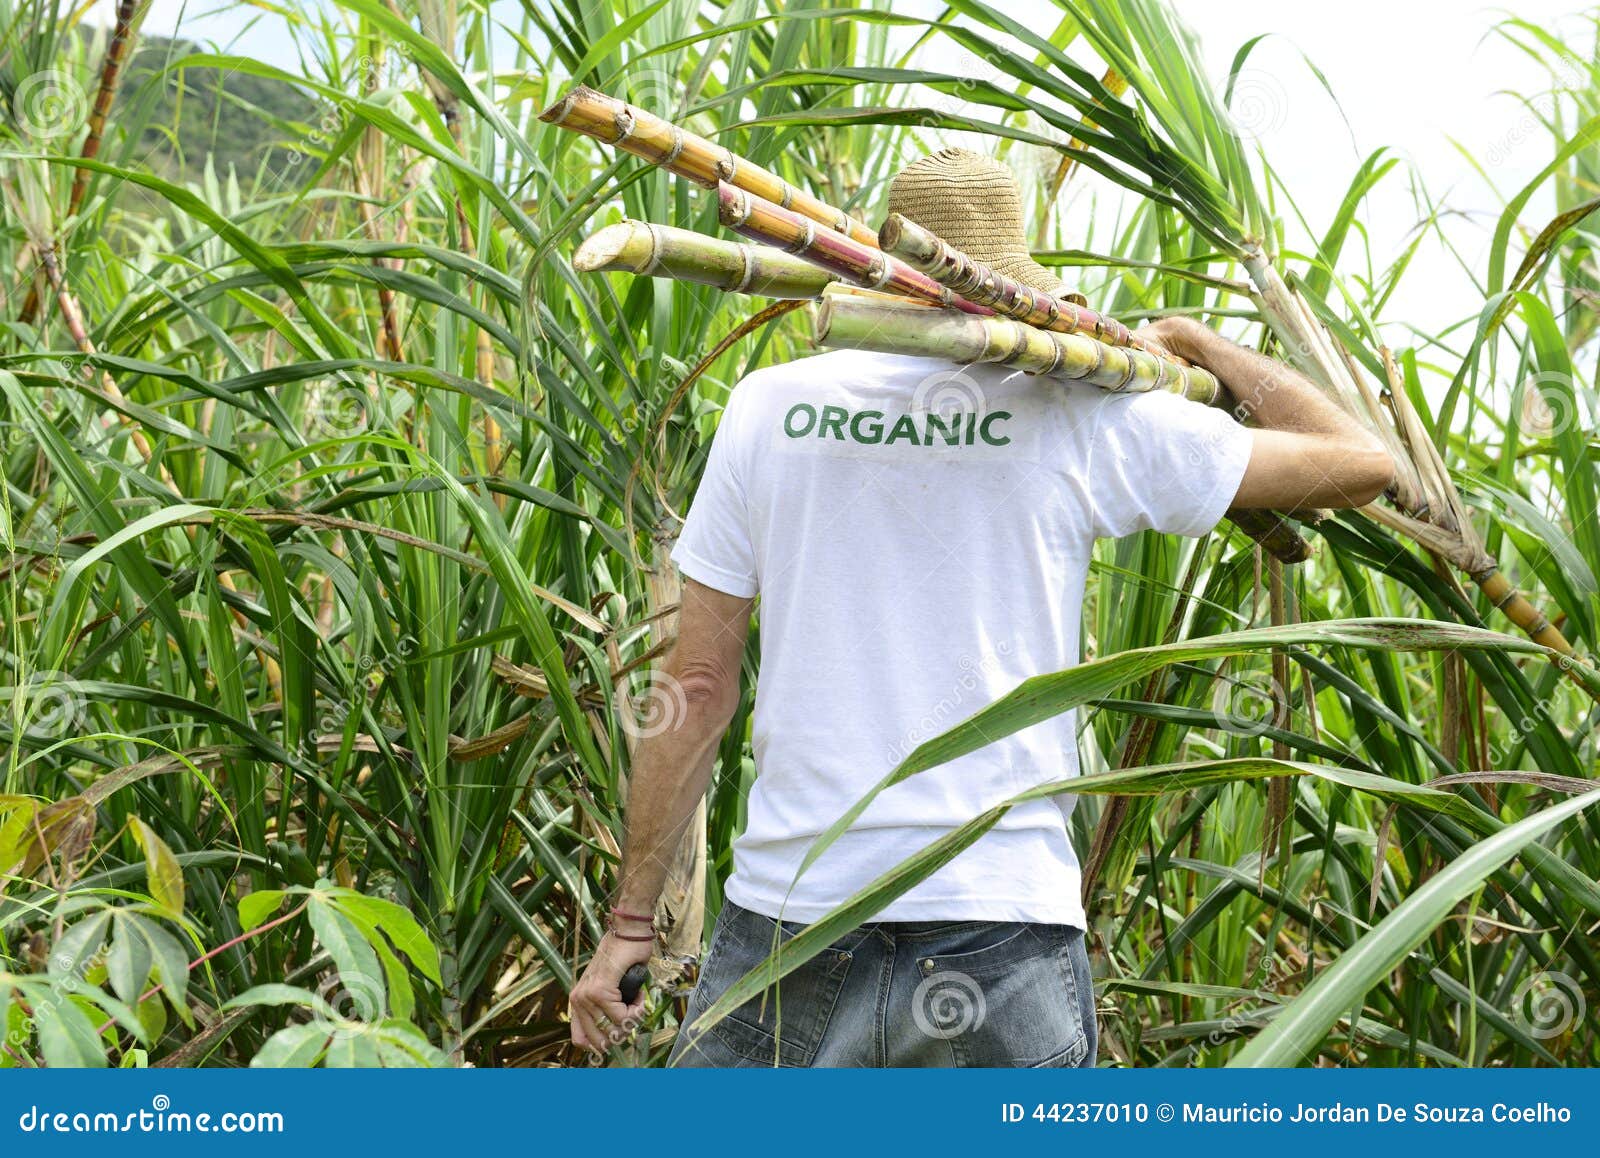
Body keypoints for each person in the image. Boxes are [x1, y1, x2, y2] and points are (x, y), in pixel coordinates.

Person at [567, 148, 1394, 1066]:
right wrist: (1199, 346)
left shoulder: (770, 409)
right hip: (1001, 932)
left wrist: (631, 924)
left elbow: (698, 684)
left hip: (791, 925)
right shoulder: (1084, 414)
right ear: (1012, 284)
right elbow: (1360, 460)